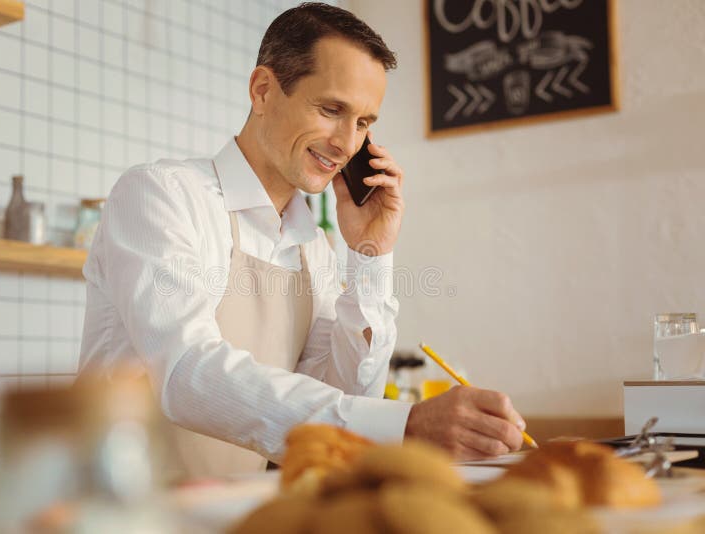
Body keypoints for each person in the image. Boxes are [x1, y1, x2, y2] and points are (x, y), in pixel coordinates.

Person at [78, 2, 526, 479]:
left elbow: (348, 401)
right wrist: (406, 425)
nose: (347, 144)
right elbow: (187, 373)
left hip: (233, 513)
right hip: (118, 510)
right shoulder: (160, 194)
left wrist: (370, 254)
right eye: (332, 110)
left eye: (364, 123)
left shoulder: (313, 246)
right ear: (264, 90)